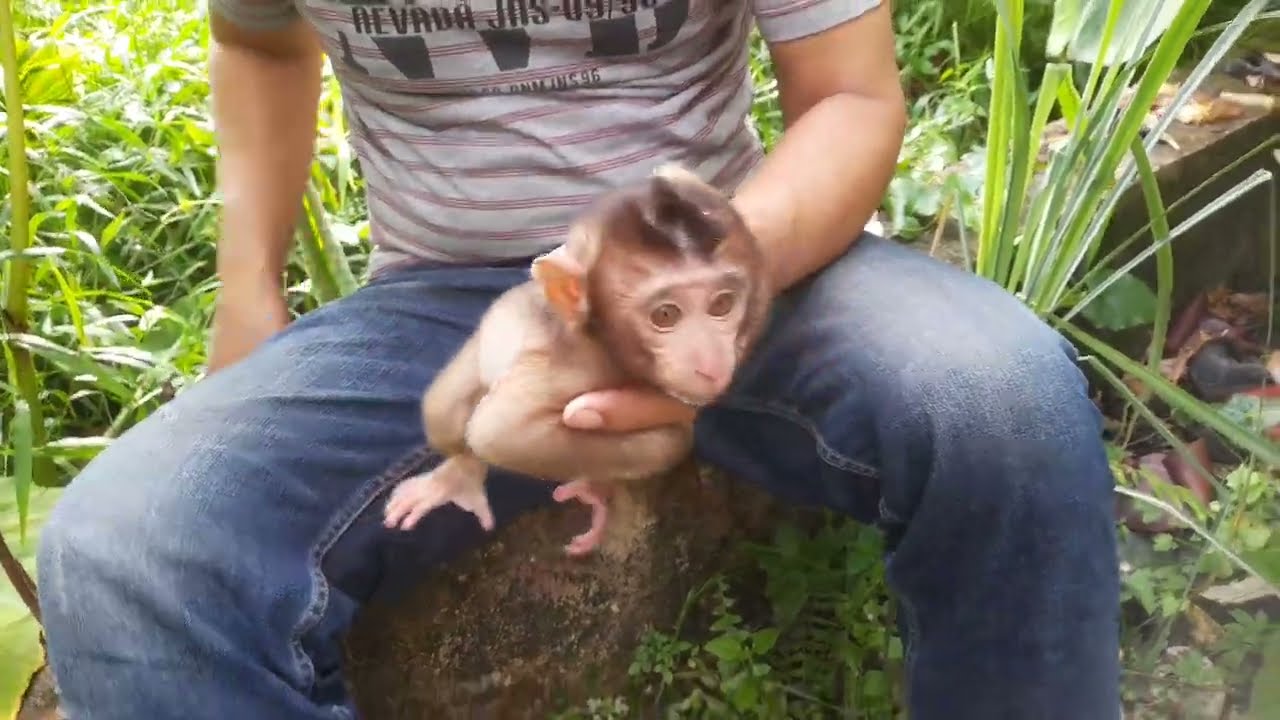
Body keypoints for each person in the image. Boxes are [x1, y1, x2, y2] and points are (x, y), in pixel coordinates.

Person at [35, 0, 1121, 717]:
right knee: (128, 552)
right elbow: (261, 38)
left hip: (730, 259)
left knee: (997, 406)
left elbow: (848, 91)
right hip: (451, 305)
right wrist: (247, 292)